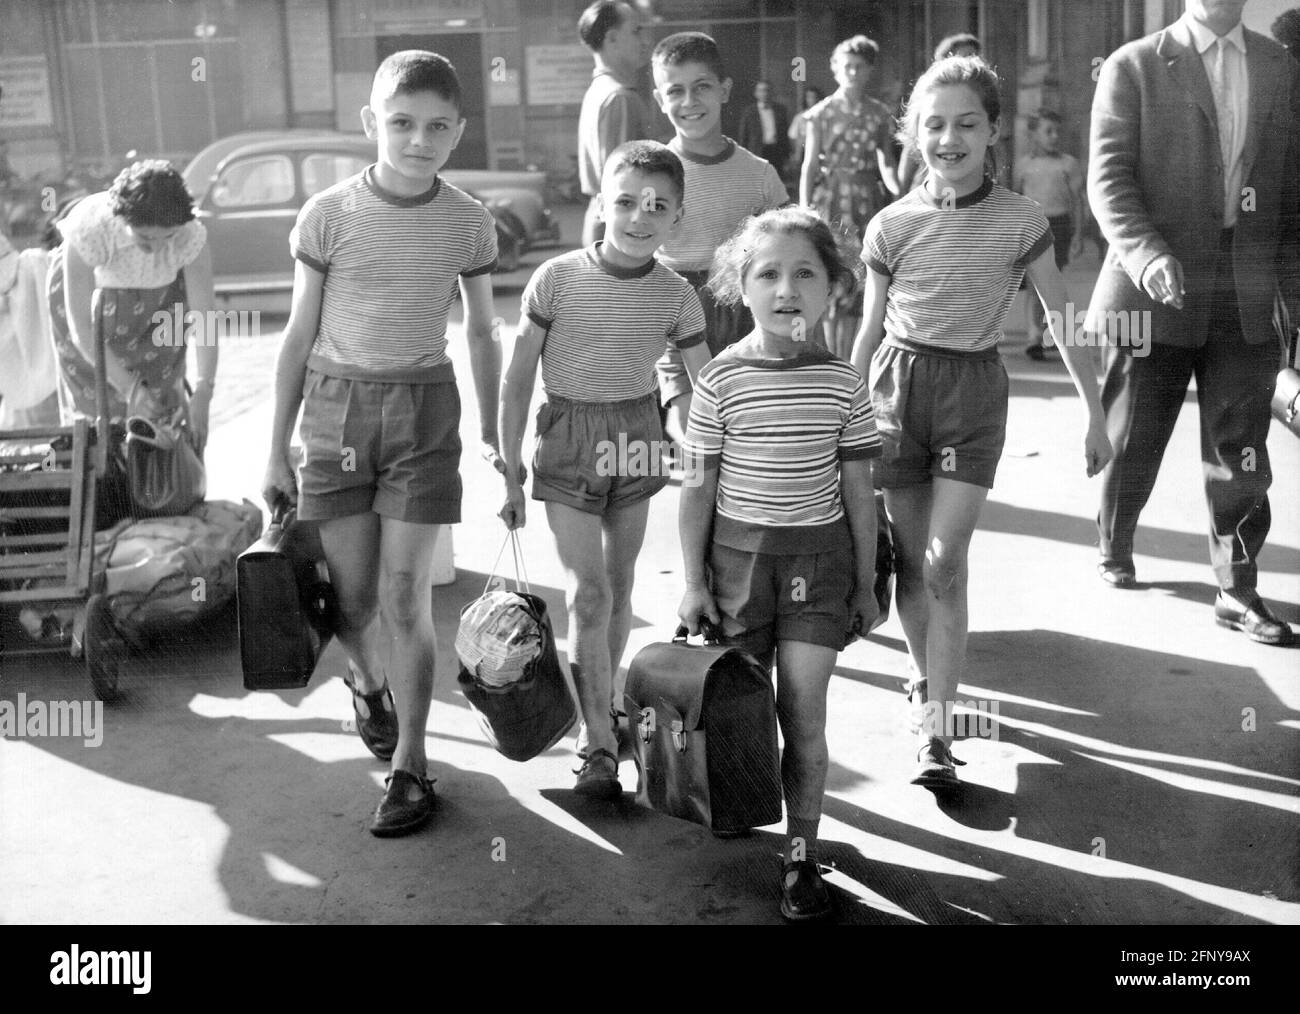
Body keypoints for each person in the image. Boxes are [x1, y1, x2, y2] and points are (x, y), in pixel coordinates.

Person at [262, 50, 506, 837]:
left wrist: (496, 435)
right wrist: (273, 451)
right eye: (401, 123)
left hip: (424, 411)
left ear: (460, 131)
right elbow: (297, 336)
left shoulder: (469, 220)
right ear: (372, 123)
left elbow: (481, 329)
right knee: (355, 601)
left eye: (438, 126)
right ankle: (368, 683)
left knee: (407, 597)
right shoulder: (328, 215)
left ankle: (410, 763)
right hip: (334, 413)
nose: (418, 139)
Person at [852, 56, 1111, 789]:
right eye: (933, 124)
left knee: (944, 561)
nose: (949, 137)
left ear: (995, 130)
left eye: (967, 123)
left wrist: (1095, 415)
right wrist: (843, 413)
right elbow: (868, 332)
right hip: (895, 392)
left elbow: (1060, 317)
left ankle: (938, 731)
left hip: (972, 391)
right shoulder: (891, 225)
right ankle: (925, 681)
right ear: (912, 133)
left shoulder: (1022, 220)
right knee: (908, 563)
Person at [678, 206, 881, 922]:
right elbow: (697, 486)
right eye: (768, 273)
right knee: (741, 708)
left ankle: (802, 853)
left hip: (818, 569)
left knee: (804, 711)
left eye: (805, 273)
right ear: (742, 286)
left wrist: (866, 580)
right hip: (737, 568)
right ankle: (738, 801)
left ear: (832, 289)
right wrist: (693, 581)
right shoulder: (720, 382)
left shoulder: (844, 383)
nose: (786, 288)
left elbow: (860, 489)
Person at [499, 141, 710, 798]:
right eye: (624, 201)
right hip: (567, 439)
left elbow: (709, 390)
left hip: (638, 437)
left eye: (657, 206)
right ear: (600, 202)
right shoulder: (557, 278)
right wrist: (506, 467)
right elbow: (516, 378)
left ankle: (606, 701)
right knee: (586, 594)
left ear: (677, 218)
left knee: (618, 589)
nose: (639, 217)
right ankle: (594, 743)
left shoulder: (677, 296)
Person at [1088, 0, 1299, 646]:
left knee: (1241, 446)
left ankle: (1236, 587)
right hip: (1154, 288)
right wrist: (1146, 253)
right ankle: (1116, 538)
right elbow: (1109, 180)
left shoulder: (1279, 66)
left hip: (1244, 287)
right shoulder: (1133, 66)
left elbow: (1292, 189)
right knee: (1134, 437)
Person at [649, 32, 788, 446]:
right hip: (678, 312)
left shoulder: (760, 173)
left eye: (702, 87)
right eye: (676, 91)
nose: (689, 102)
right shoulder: (653, 173)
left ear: (724, 90)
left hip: (744, 312)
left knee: (748, 440)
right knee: (700, 441)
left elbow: (787, 251)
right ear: (660, 99)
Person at [47, 160, 216, 445]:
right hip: (95, 320)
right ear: (121, 219)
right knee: (99, 431)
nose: (157, 248)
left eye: (168, 236)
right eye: (145, 238)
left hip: (158, 309)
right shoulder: (90, 228)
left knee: (163, 415)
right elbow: (82, 330)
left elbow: (205, 320)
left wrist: (203, 392)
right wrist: (130, 389)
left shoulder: (189, 235)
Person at [800, 35, 899, 360]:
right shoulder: (820, 114)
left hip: (868, 200)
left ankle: (857, 360)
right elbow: (811, 164)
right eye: (848, 66)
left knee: (866, 274)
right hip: (833, 199)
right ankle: (833, 358)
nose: (853, 73)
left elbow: (886, 160)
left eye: (860, 67)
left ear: (869, 70)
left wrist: (899, 194)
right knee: (836, 273)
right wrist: (804, 208)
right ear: (835, 69)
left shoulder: (879, 113)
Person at [577, 0, 651, 247]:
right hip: (617, 236)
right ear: (612, 39)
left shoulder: (599, 91)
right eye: (635, 31)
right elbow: (622, 186)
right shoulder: (619, 97)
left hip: (601, 225)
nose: (644, 41)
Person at [1014, 108, 1084, 360]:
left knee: (1051, 281)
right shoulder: (1024, 165)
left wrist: (1077, 235)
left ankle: (1045, 332)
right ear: (1033, 134)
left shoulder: (1068, 164)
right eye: (1048, 131)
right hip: (1033, 226)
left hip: (1060, 226)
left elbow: (1077, 201)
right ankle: (1034, 336)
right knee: (1035, 283)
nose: (1054, 137)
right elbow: (1015, 199)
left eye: (1057, 132)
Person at [897, 34, 983, 196]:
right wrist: (900, 193)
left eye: (973, 57)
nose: (968, 64)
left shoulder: (983, 100)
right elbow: (909, 152)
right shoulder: (930, 96)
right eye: (962, 57)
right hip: (930, 187)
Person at [737, 80, 792, 174]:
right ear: (756, 93)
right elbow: (743, 136)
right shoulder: (749, 112)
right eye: (761, 90)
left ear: (772, 92)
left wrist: (787, 157)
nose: (764, 93)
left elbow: (784, 135)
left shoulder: (780, 110)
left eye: (767, 90)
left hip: (776, 152)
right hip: (757, 152)